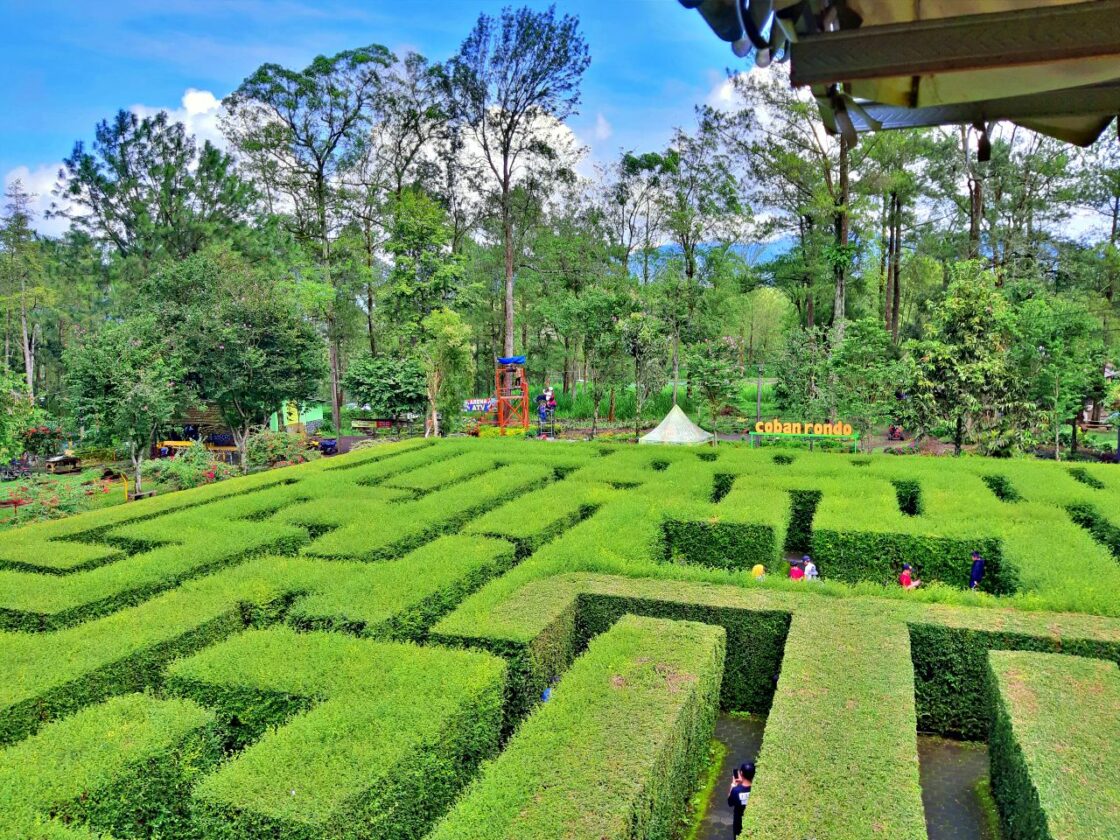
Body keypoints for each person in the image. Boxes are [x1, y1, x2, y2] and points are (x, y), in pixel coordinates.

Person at [727, 762, 754, 837]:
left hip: (739, 821)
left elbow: (730, 802)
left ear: (741, 773)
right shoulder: (756, 788)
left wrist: (733, 785)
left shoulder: (736, 790)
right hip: (752, 819)